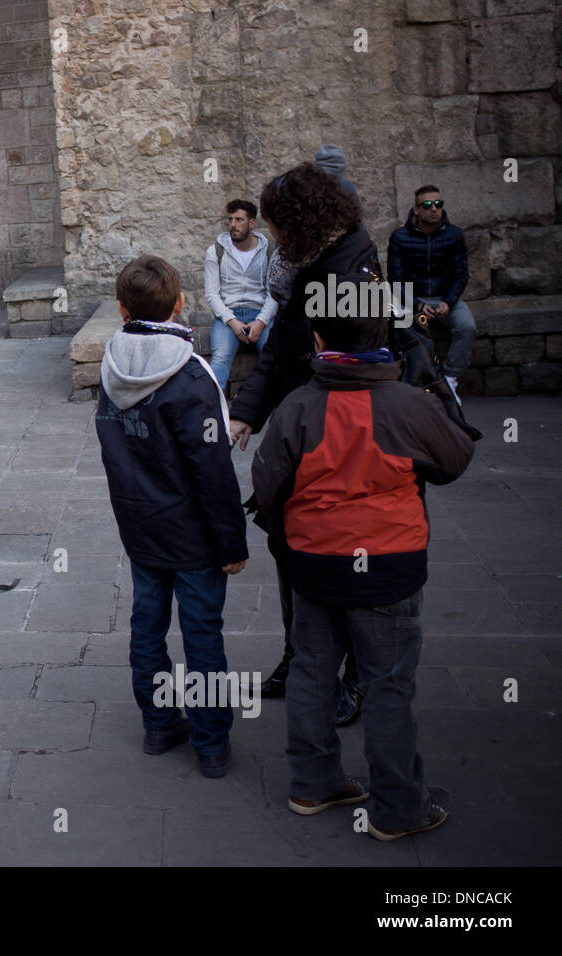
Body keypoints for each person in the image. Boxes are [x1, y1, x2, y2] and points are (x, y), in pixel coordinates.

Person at [251, 279, 474, 839]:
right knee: (388, 685)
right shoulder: (406, 403)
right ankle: (399, 808)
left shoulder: (298, 406)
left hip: (314, 562)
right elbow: (455, 459)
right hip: (389, 564)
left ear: (319, 336)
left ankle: (312, 782)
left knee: (311, 672)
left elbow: (267, 485)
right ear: (385, 336)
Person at [95, 255, 248, 778]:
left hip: (140, 525)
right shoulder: (191, 375)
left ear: (121, 308)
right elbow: (213, 469)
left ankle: (158, 724)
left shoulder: (111, 367)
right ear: (180, 303)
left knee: (147, 626)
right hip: (193, 535)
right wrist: (232, 543)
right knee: (203, 635)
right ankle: (210, 744)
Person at [229, 163, 370, 723]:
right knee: (289, 548)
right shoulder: (301, 269)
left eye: (280, 225)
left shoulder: (349, 270)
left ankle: (354, 676)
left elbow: (359, 364)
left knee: (343, 558)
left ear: (303, 222)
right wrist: (245, 414)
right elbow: (280, 352)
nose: (276, 238)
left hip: (339, 439)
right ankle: (299, 656)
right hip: (299, 431)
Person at [387, 184, 476, 401]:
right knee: (398, 328)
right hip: (412, 298)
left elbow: (460, 275)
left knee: (466, 326)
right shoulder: (400, 237)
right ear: (416, 209)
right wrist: (417, 305)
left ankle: (450, 378)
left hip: (445, 298)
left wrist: (448, 301)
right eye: (427, 205)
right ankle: (413, 383)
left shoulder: (454, 235)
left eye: (438, 204)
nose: (434, 209)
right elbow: (395, 280)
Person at [202, 199, 277, 390]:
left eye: (239, 220)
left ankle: (280, 410)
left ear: (252, 223)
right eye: (230, 220)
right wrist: (232, 322)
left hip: (261, 314)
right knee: (220, 358)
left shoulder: (269, 251)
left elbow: (274, 293)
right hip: (228, 316)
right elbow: (212, 294)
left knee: (275, 358)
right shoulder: (216, 251)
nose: (233, 225)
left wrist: (260, 322)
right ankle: (212, 410)